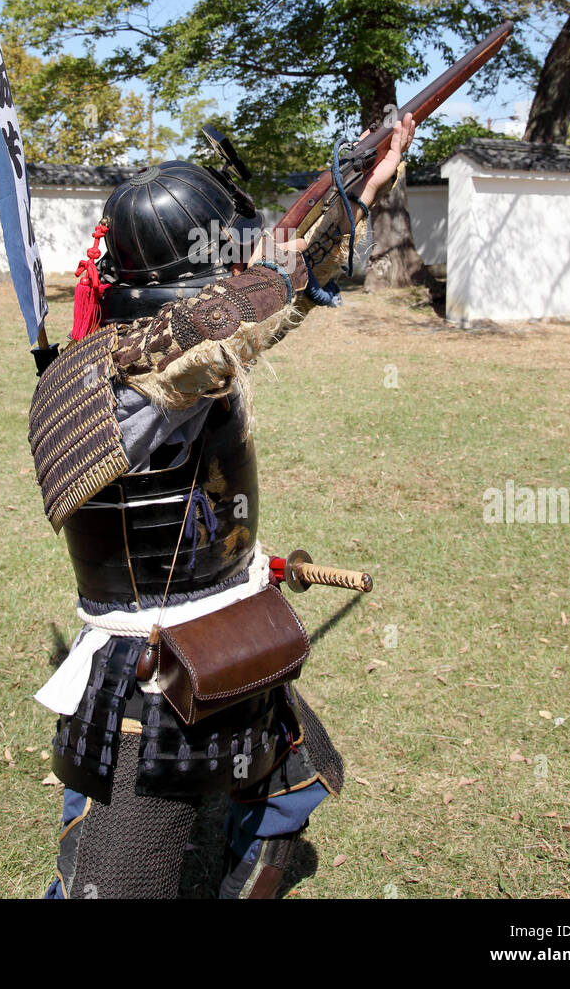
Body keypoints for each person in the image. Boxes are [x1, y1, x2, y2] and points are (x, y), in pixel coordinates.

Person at [31, 115, 415, 899]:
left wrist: (357, 193)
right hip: (151, 664)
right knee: (113, 884)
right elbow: (229, 324)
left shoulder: (117, 347)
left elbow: (257, 307)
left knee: (289, 781)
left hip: (231, 625)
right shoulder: (136, 375)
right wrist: (298, 255)